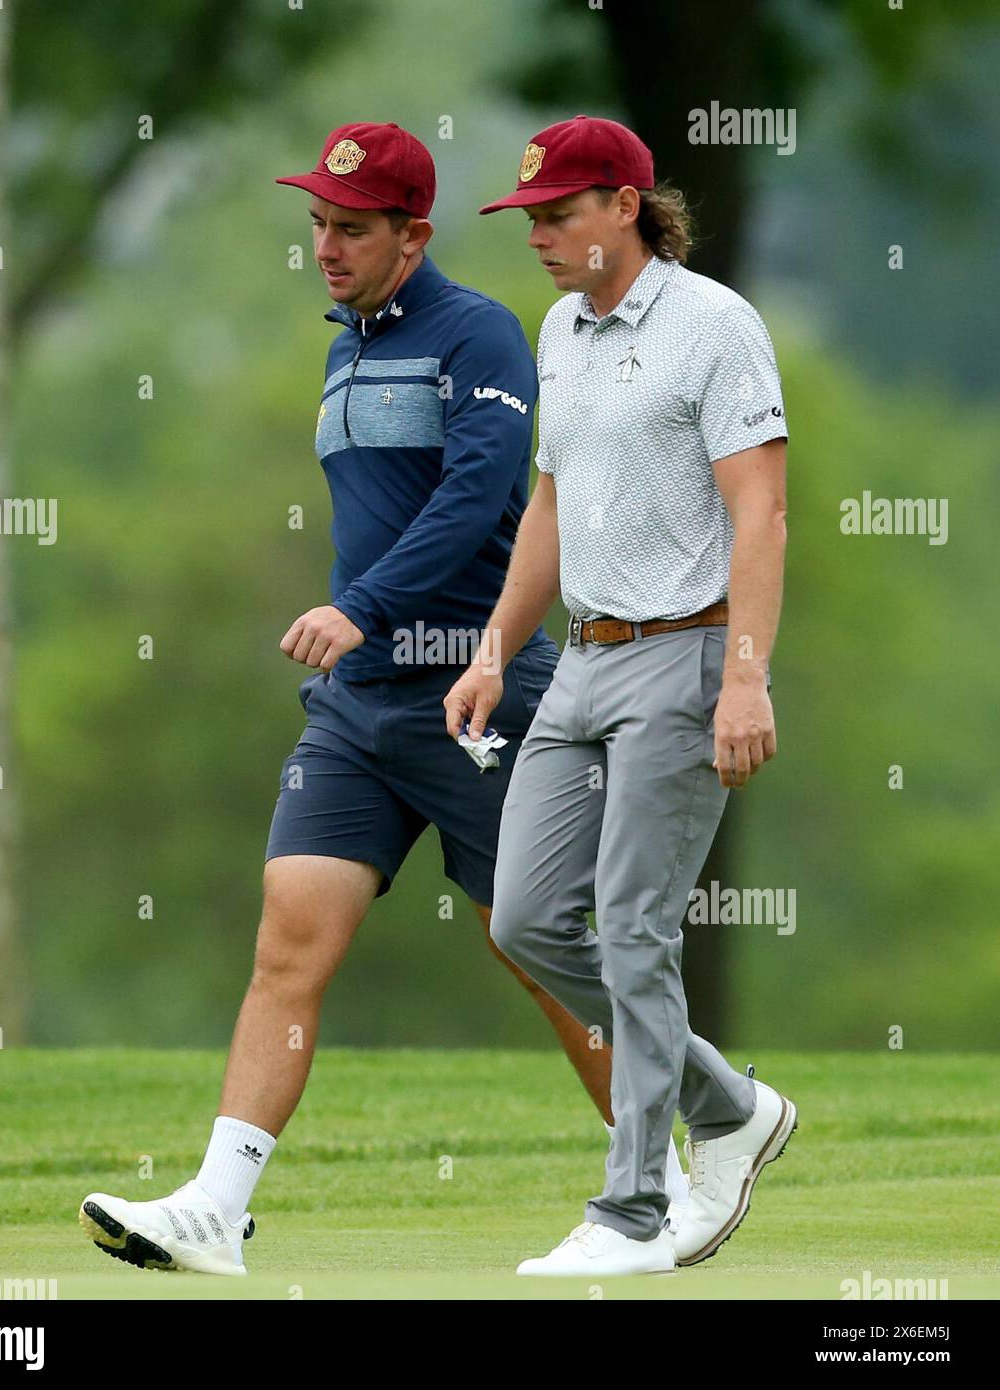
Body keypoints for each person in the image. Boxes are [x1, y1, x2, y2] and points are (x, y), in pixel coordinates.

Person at [77, 121, 689, 1276]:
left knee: (547, 949)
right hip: (357, 709)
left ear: (413, 235)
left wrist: (361, 603)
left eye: (350, 229)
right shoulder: (345, 349)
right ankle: (217, 1206)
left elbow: (477, 497)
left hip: (478, 693)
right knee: (287, 944)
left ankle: (659, 1178)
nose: (324, 245)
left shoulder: (483, 335)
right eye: (316, 224)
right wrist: (362, 633)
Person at [445, 115, 797, 1277]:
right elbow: (548, 505)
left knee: (636, 926)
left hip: (687, 659)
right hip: (582, 662)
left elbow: (762, 513)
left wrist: (745, 679)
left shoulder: (715, 326)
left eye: (557, 214)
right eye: (530, 218)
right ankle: (733, 1103)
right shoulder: (559, 328)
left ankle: (634, 1207)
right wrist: (496, 647)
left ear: (625, 207)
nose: (537, 234)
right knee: (527, 916)